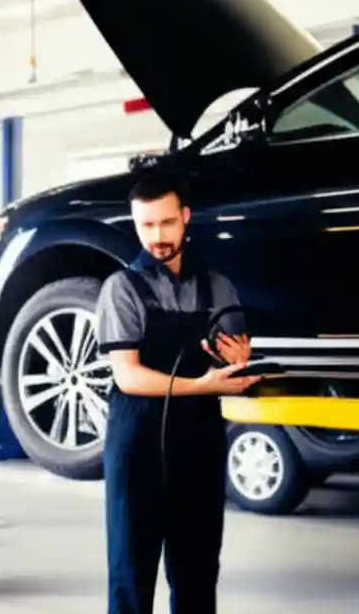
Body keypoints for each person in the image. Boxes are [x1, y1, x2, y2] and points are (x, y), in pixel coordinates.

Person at [95, 170, 260, 614]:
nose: (157, 236)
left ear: (186, 217)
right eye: (146, 225)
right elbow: (127, 376)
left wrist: (237, 360)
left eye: (166, 223)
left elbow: (231, 358)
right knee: (131, 577)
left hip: (199, 446)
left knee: (198, 576)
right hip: (137, 448)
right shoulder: (121, 289)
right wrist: (201, 385)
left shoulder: (218, 286)